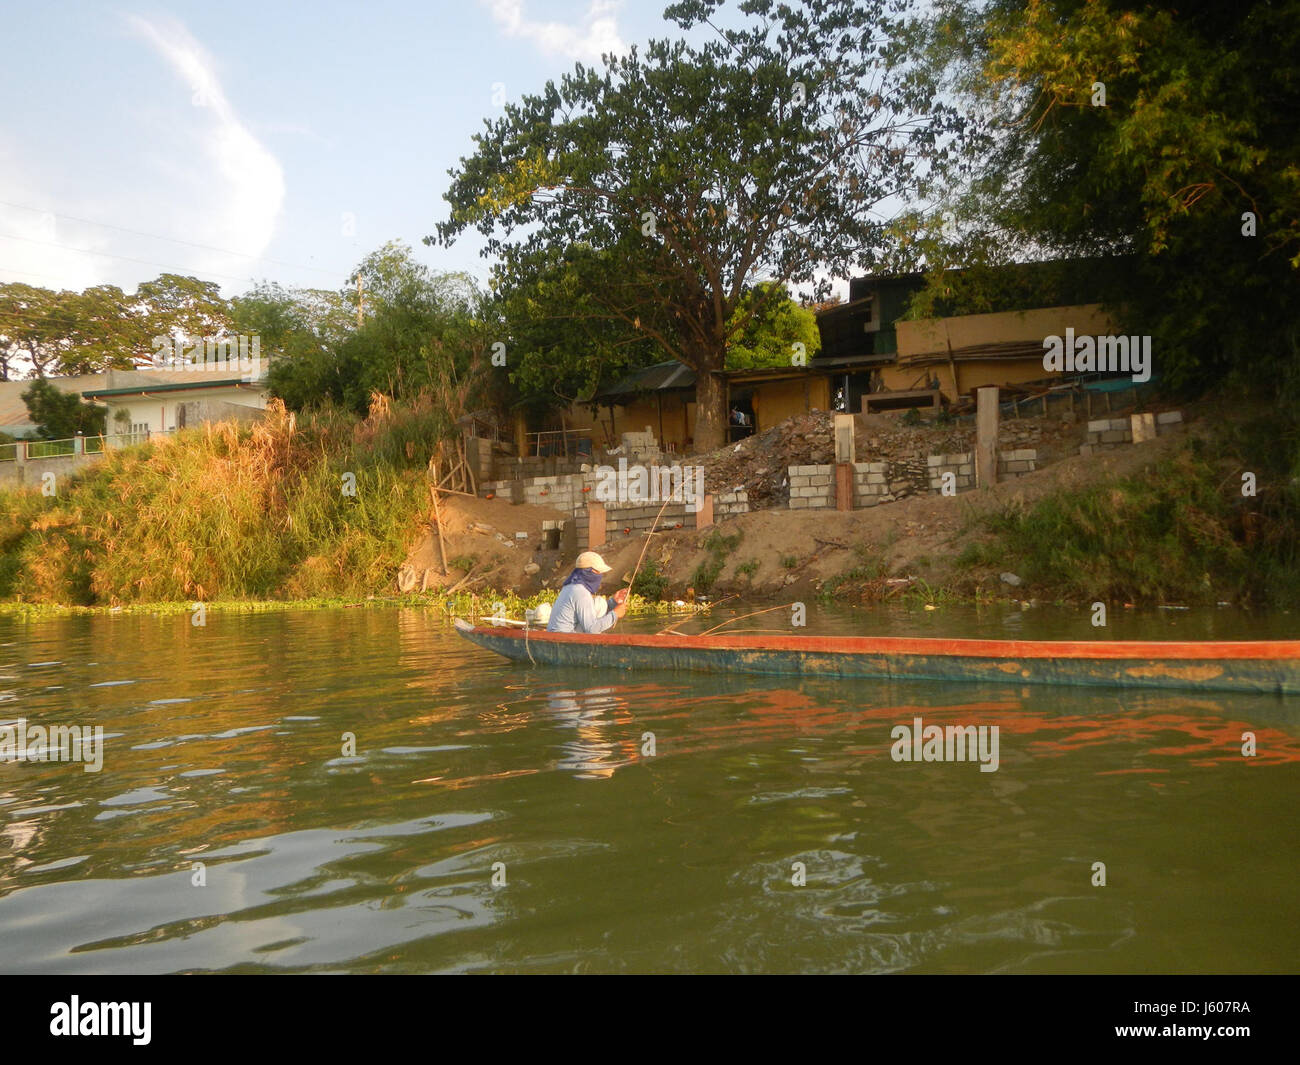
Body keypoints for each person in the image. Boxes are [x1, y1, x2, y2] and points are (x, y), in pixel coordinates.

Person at [546, 551, 629, 634]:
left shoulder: (570, 586)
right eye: (598, 572)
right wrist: (615, 614)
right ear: (587, 572)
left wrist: (613, 602)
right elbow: (591, 629)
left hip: (558, 634)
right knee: (599, 603)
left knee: (600, 603)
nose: (601, 575)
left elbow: (590, 614)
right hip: (564, 637)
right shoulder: (580, 592)